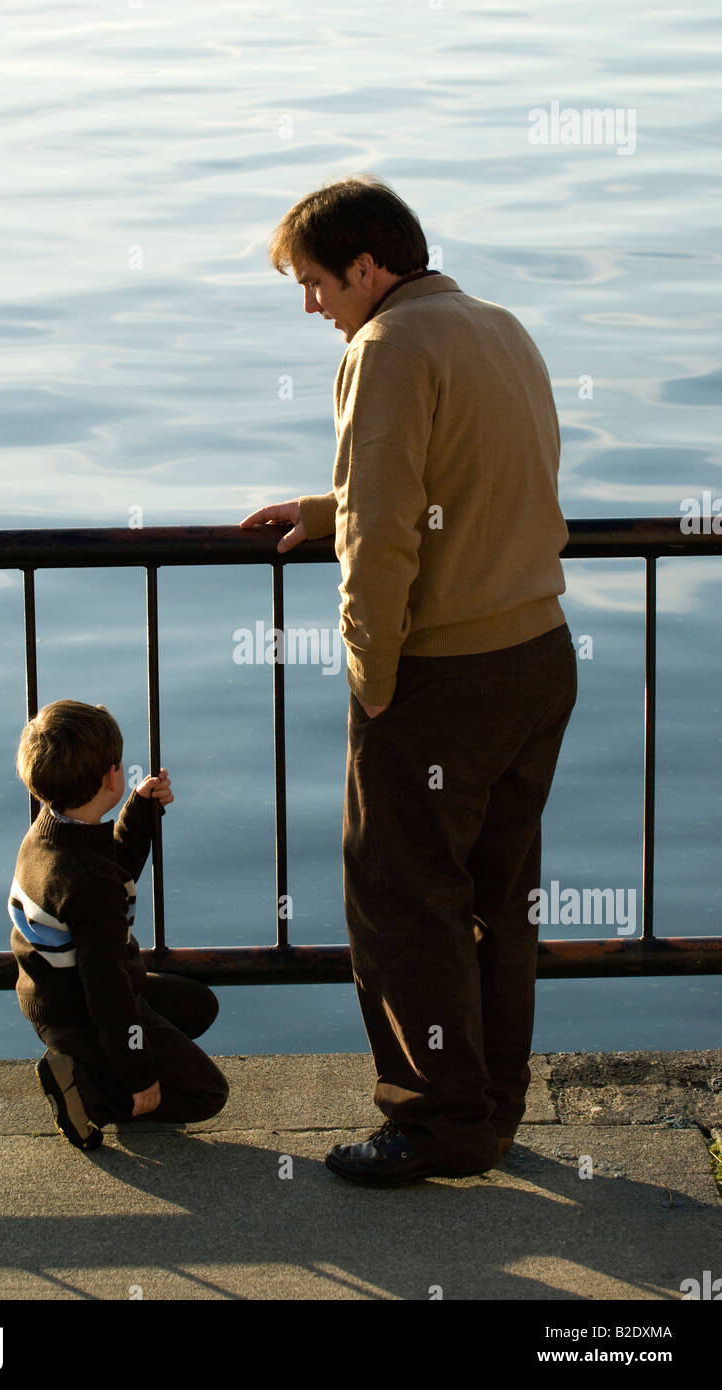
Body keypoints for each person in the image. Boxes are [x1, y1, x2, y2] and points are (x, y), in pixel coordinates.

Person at [241, 175, 577, 1186]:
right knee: (496, 897)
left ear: (367, 267)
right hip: (537, 654)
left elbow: (385, 534)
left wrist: (371, 674)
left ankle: (433, 1126)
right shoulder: (498, 325)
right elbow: (468, 475)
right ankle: (491, 1112)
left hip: (442, 672)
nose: (313, 307)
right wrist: (325, 501)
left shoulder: (382, 348)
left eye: (314, 284)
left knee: (400, 898)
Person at [8, 699, 229, 1151]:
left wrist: (140, 811)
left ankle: (94, 1064)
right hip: (82, 1011)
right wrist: (139, 1076)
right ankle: (88, 1093)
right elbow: (106, 992)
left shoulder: (49, 833)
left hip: (51, 993)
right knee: (207, 1093)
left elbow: (111, 867)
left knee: (198, 1006)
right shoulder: (86, 883)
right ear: (111, 777)